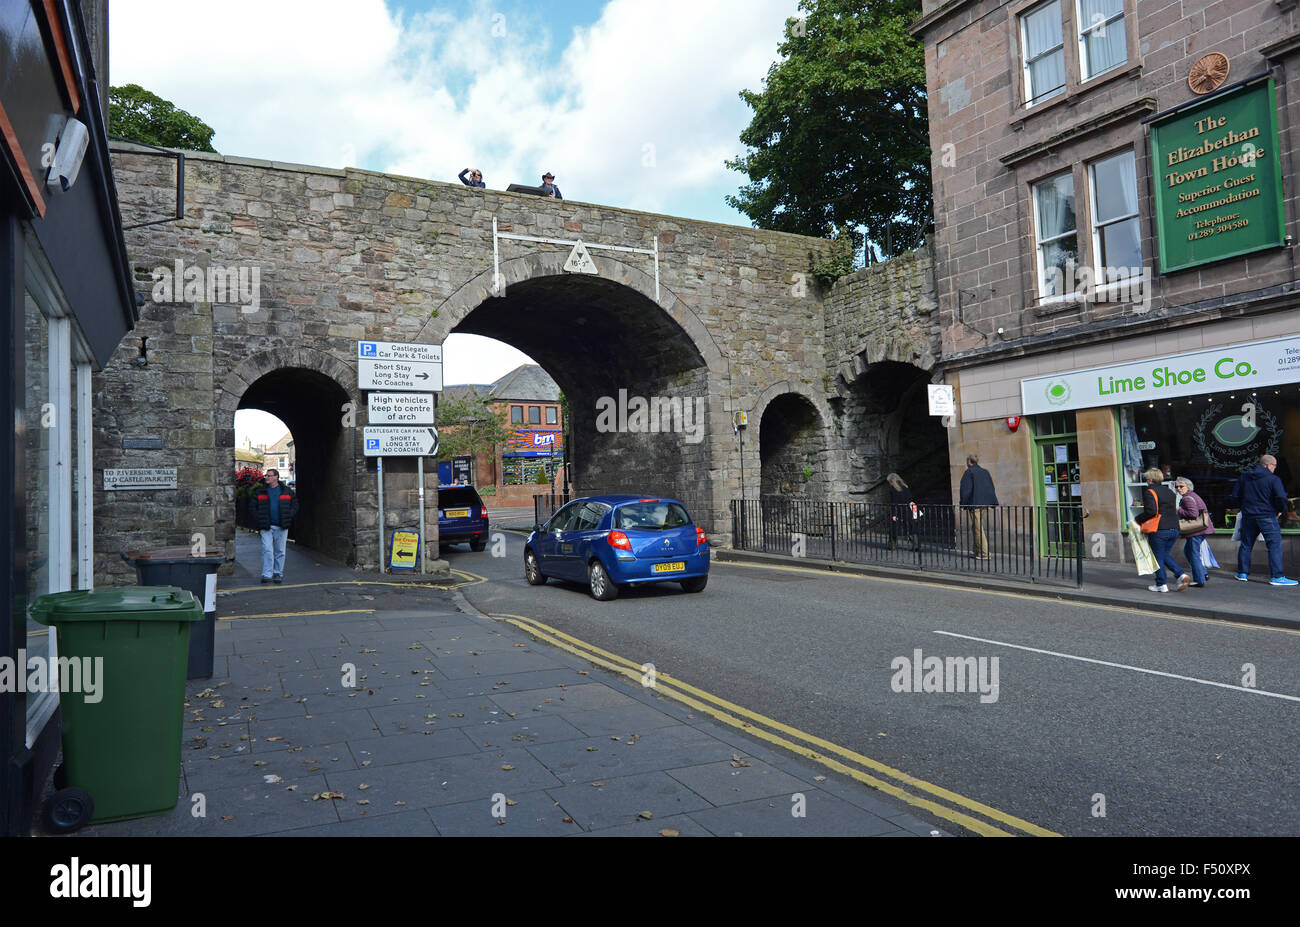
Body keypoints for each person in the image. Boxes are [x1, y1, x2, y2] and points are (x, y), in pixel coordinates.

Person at [1228, 454, 1296, 586]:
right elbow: (1281, 497)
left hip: (1248, 516)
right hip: (1267, 516)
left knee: (1246, 545)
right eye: (1275, 466)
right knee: (1274, 545)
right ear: (1269, 465)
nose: (1275, 469)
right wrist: (1281, 510)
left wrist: (1242, 507)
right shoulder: (1273, 479)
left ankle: (1242, 573)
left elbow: (1235, 496)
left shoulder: (1244, 477)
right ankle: (1277, 576)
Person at [1136, 467, 1186, 593]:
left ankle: (1161, 584)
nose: (1146, 481)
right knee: (1164, 554)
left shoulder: (1149, 492)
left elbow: (1151, 511)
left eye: (1147, 479)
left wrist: (1137, 519)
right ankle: (1180, 575)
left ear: (1151, 480)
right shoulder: (1170, 492)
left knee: (1157, 557)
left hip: (1159, 529)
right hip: (1174, 528)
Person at [252, 468, 298, 584]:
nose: (266, 477)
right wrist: (259, 519)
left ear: (276, 477)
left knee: (280, 551)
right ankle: (267, 574)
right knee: (267, 549)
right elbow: (252, 507)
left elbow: (295, 505)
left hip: (281, 525)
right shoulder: (260, 491)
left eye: (269, 475)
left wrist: (288, 516)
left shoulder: (286, 491)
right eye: (266, 475)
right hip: (266, 525)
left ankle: (278, 573)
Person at [1174, 476, 1213, 588]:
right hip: (1202, 529)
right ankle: (1203, 574)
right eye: (1177, 487)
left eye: (1181, 486)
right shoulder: (1193, 495)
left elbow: (1193, 514)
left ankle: (1199, 580)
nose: (1179, 489)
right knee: (1189, 551)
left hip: (1196, 530)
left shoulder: (1187, 498)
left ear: (1188, 486)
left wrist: (1178, 510)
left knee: (1192, 553)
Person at [959, 453, 998, 559]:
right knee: (976, 527)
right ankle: (977, 551)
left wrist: (963, 504)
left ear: (969, 462)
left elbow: (965, 490)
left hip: (974, 504)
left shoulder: (969, 472)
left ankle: (984, 553)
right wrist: (992, 502)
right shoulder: (985, 472)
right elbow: (991, 488)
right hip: (984, 504)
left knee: (978, 529)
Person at [886, 473, 921, 552]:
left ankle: (892, 545)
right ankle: (916, 545)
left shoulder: (893, 489)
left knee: (893, 528)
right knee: (910, 527)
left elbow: (894, 502)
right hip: (907, 509)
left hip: (898, 510)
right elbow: (910, 499)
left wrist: (894, 514)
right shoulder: (905, 487)